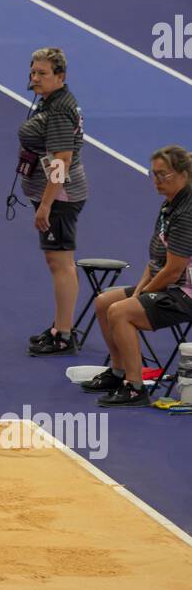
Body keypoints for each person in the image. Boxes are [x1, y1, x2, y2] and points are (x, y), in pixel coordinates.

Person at [81, 146, 192, 408]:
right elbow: (156, 259)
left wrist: (143, 294)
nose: (156, 181)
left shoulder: (187, 213)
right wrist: (142, 290)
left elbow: (174, 270)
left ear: (183, 174)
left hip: (185, 293)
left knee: (120, 312)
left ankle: (135, 386)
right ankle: (118, 371)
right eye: (153, 174)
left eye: (163, 175)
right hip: (167, 284)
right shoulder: (170, 205)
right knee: (104, 302)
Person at [17, 48, 87, 355]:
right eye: (33, 72)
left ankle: (64, 334)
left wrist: (46, 205)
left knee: (61, 264)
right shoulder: (51, 102)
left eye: (42, 73)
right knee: (57, 261)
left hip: (60, 196)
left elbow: (61, 160)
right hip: (54, 193)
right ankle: (60, 326)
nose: (35, 78)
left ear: (61, 76)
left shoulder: (58, 111)